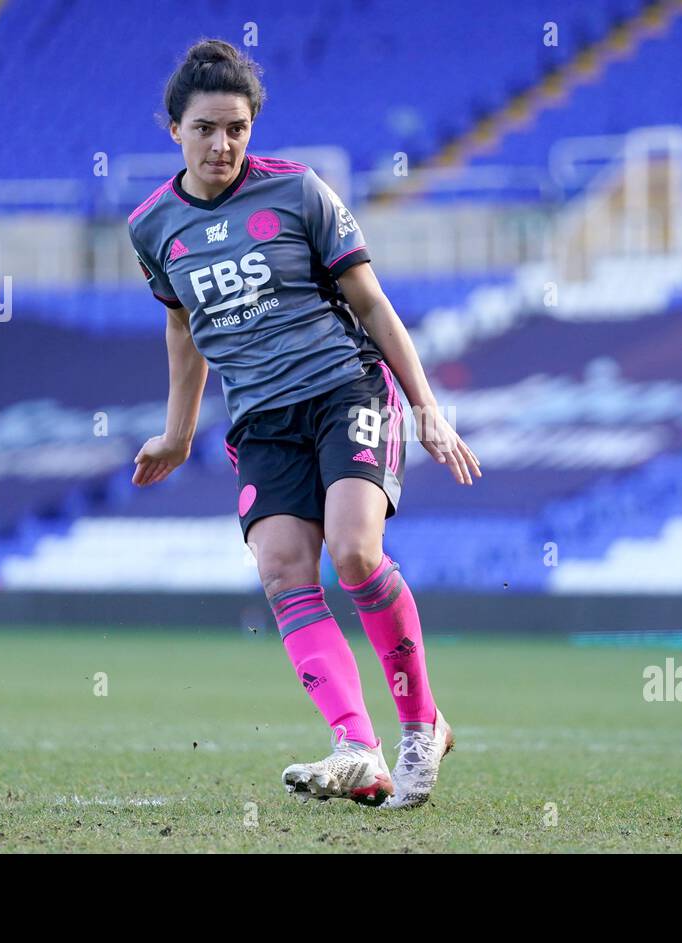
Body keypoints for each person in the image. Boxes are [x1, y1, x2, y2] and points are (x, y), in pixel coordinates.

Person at [127, 39, 481, 808]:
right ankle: (358, 746)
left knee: (354, 554)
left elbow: (371, 302)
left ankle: (422, 725)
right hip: (260, 419)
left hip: (345, 389)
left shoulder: (297, 193)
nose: (222, 144)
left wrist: (426, 409)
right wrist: (178, 433)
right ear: (173, 131)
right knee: (285, 570)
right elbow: (183, 330)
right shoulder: (152, 227)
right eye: (205, 129)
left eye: (237, 128)